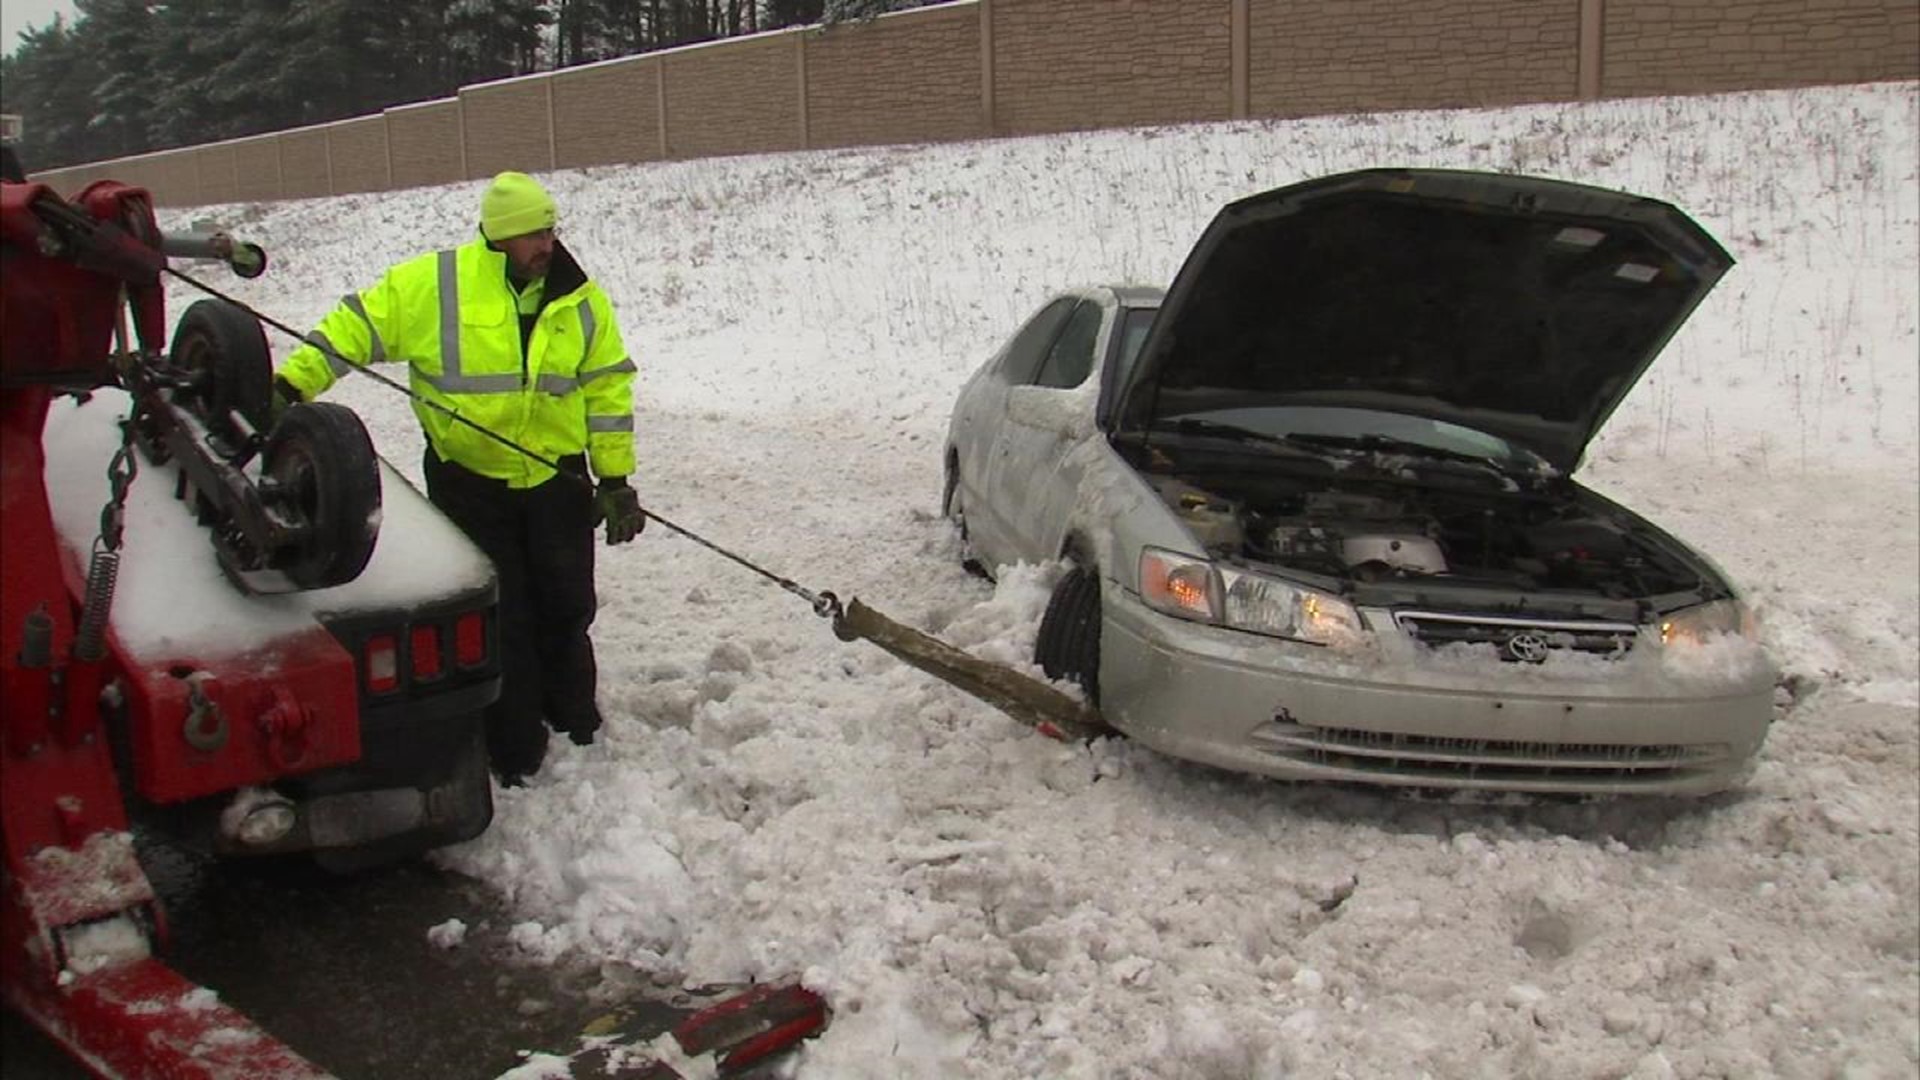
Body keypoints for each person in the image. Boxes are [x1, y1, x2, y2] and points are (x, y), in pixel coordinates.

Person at [273, 170, 646, 786]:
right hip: (471, 484)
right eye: (532, 234)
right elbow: (354, 328)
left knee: (567, 603)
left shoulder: (580, 298)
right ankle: (515, 747)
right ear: (499, 237)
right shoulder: (434, 285)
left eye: (550, 230)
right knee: (506, 614)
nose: (546, 245)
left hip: (557, 481)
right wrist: (293, 384)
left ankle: (576, 719)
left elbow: (608, 388)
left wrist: (615, 478)